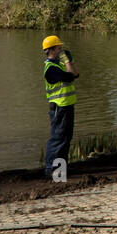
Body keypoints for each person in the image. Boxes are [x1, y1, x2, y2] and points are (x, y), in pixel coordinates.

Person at [41, 35, 79, 179]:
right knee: (58, 139)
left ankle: (61, 170)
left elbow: (75, 74)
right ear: (51, 50)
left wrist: (69, 61)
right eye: (58, 48)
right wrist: (67, 62)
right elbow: (69, 77)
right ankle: (53, 170)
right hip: (59, 108)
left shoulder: (60, 64)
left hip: (67, 106)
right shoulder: (50, 69)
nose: (61, 50)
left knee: (66, 138)